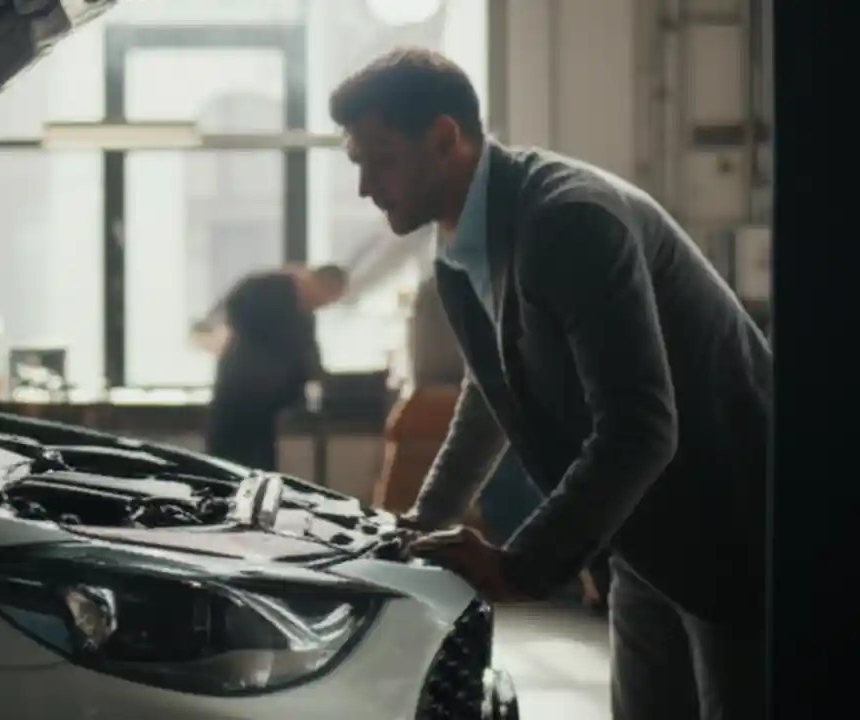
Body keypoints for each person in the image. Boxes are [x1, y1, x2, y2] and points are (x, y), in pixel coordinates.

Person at [329, 48, 769, 720]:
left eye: (381, 160)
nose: (366, 188)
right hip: (646, 528)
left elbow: (641, 429)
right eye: (357, 164)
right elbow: (491, 394)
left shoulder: (568, 221)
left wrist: (524, 564)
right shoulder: (461, 246)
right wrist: (425, 524)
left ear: (445, 138)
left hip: (737, 522)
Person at [204, 264, 347, 471]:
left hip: (266, 408)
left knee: (259, 468)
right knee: (225, 464)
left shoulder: (305, 317)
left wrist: (320, 379)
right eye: (328, 298)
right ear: (319, 283)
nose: (324, 305)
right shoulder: (267, 289)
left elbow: (307, 354)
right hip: (240, 391)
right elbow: (236, 309)